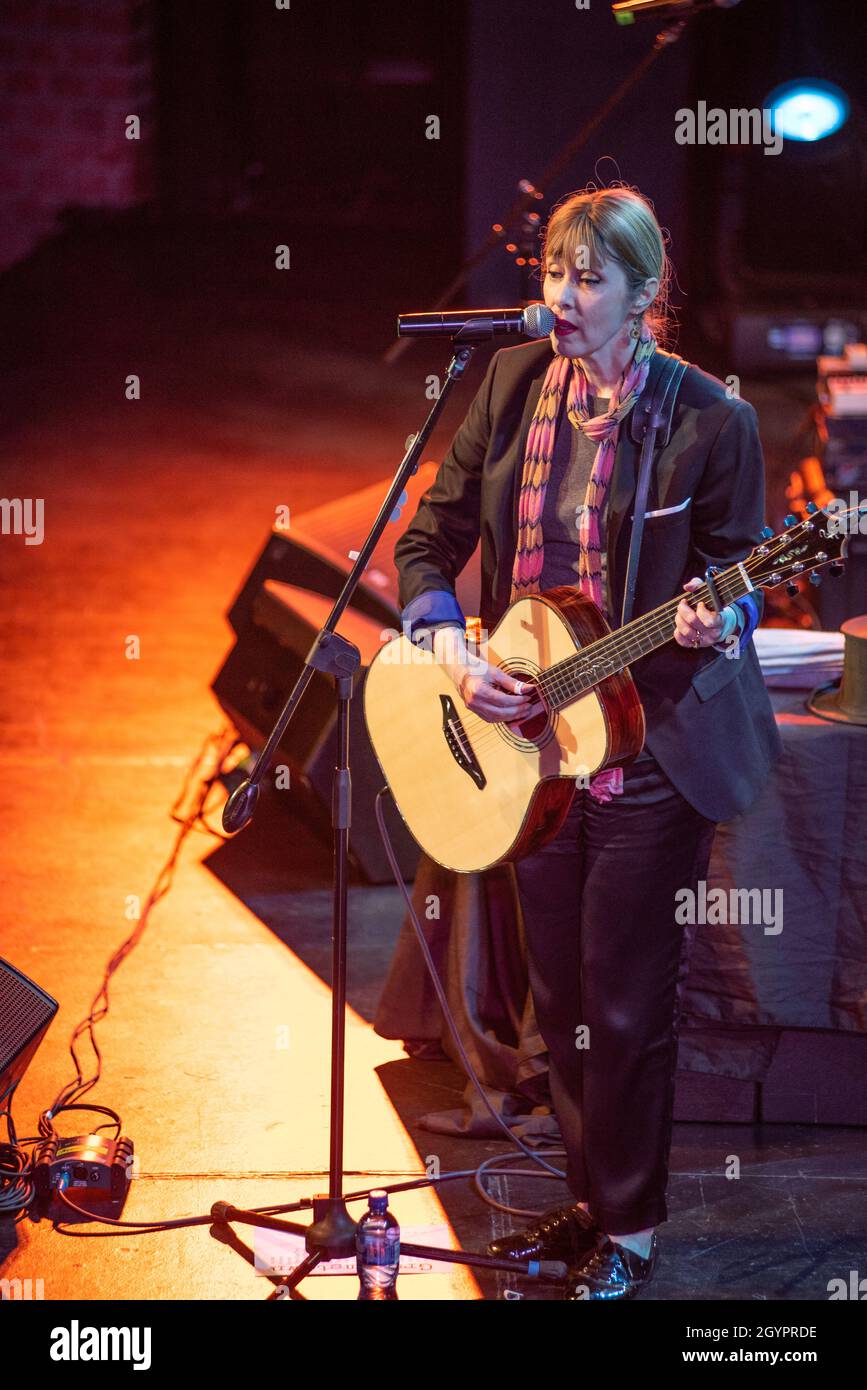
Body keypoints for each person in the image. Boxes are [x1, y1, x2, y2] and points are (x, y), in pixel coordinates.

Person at [392, 185, 783, 1300]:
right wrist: (452, 651)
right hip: (529, 751)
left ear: (645, 294)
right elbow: (431, 535)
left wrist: (724, 616)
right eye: (554, 272)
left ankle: (634, 1230)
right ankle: (587, 1199)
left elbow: (741, 569)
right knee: (557, 1002)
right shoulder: (512, 383)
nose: (560, 296)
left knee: (622, 1000)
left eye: (587, 278)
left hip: (647, 748)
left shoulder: (714, 419)